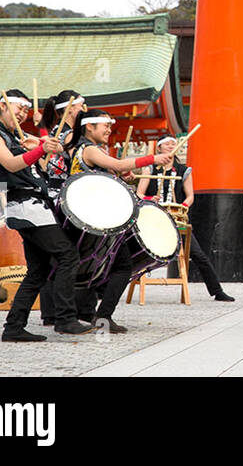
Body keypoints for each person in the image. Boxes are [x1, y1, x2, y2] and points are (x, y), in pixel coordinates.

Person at [0, 91, 92, 341]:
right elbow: (11, 164)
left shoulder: (16, 136)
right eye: (18, 108)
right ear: (3, 106)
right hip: (27, 206)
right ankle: (65, 318)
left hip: (35, 206)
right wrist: (39, 150)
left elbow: (50, 154)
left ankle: (14, 327)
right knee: (67, 255)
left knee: (37, 270)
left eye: (25, 110)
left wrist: (46, 147)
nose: (22, 114)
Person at [65, 108, 174, 332]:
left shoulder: (82, 149)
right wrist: (152, 158)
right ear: (89, 126)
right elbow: (117, 164)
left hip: (92, 217)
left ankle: (86, 313)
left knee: (100, 266)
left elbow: (110, 171)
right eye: (105, 125)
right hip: (97, 218)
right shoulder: (89, 149)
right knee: (122, 266)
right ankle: (101, 316)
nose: (109, 129)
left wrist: (118, 174)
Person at [135, 137, 234, 302]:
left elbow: (190, 197)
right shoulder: (150, 169)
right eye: (167, 143)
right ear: (159, 149)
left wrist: (180, 207)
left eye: (173, 143)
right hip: (153, 216)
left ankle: (217, 291)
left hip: (175, 219)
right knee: (137, 252)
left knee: (198, 254)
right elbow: (139, 193)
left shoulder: (184, 170)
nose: (171, 146)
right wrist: (150, 198)